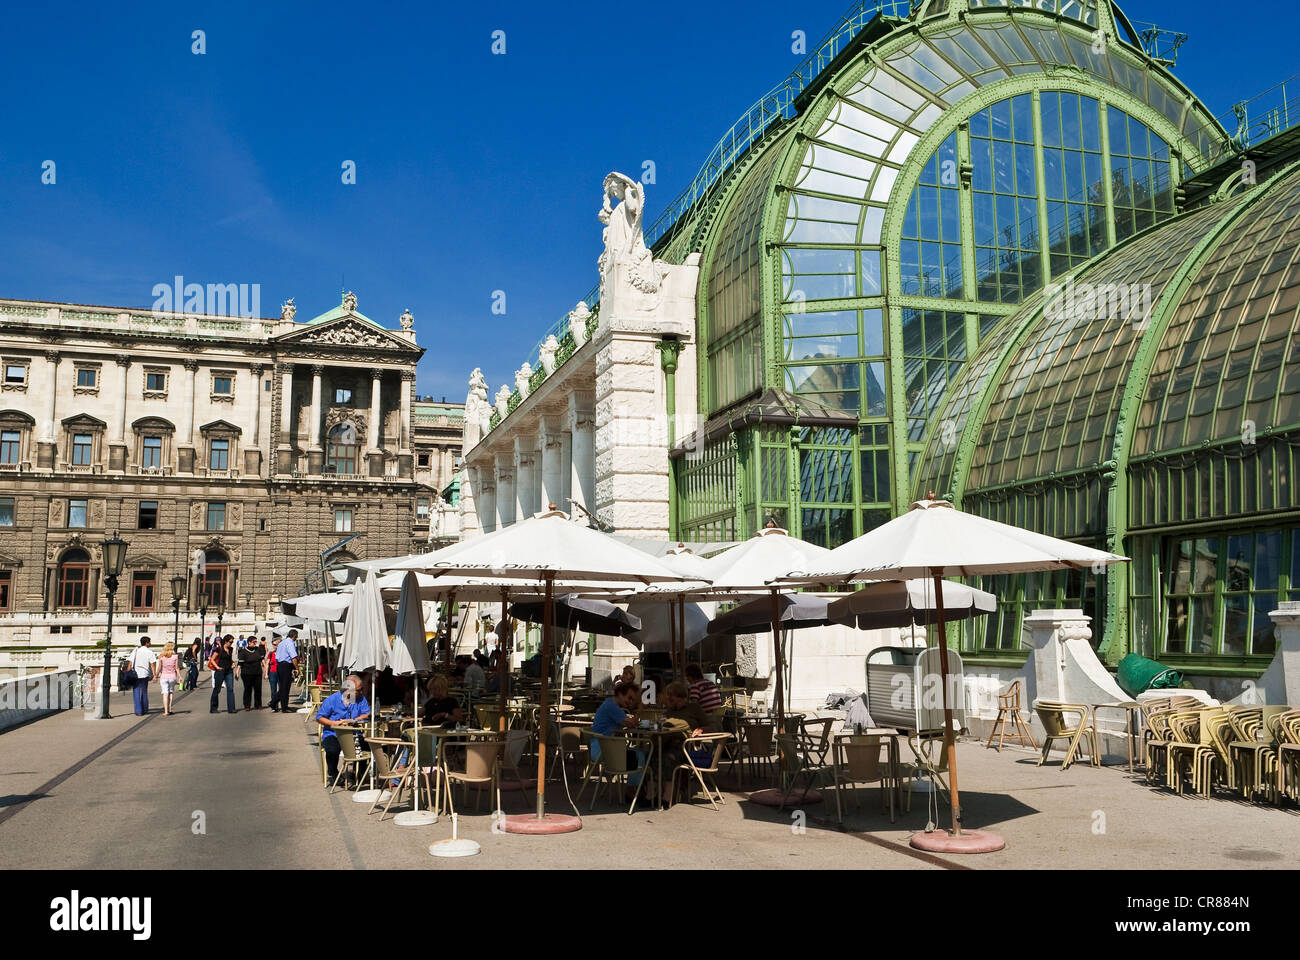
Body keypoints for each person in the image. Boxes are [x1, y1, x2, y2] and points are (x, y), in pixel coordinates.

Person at [659, 681, 718, 803]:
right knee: (651, 754)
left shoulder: (694, 708)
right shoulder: (669, 710)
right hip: (666, 742)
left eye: (671, 695)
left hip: (687, 747)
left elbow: (712, 726)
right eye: (668, 695)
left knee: (668, 757)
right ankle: (650, 795)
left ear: (680, 696)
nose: (668, 698)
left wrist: (701, 729)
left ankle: (668, 796)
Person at [315, 673, 372, 786]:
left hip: (354, 733)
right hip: (333, 733)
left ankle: (360, 773)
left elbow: (367, 714)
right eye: (358, 690)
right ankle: (334, 773)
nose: (361, 692)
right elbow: (319, 717)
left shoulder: (361, 699)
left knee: (367, 746)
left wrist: (354, 720)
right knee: (332, 749)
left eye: (361, 689)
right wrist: (334, 723)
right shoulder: (332, 700)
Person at [125, 637, 157, 716]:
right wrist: (154, 675)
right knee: (144, 691)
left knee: (136, 691)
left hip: (135, 674)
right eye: (150, 642)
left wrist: (128, 672)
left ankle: (138, 710)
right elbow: (152, 664)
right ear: (146, 643)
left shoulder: (135, 651)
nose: (150, 643)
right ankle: (145, 708)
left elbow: (130, 663)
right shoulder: (149, 652)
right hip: (144, 673)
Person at [208, 636, 237, 714]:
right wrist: (217, 667)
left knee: (230, 689)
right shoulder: (219, 649)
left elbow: (229, 659)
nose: (231, 643)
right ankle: (213, 708)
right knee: (217, 689)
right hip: (220, 671)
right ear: (225, 641)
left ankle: (231, 708)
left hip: (229, 671)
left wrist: (232, 663)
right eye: (230, 642)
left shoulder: (230, 649)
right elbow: (212, 659)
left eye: (232, 642)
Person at [272, 630, 299, 712]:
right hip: (286, 665)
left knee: (283, 687)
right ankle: (281, 705)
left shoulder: (282, 643)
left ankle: (278, 703)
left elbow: (277, 656)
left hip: (280, 665)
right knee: (285, 687)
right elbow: (293, 657)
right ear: (294, 636)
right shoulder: (290, 643)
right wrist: (297, 668)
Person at [237, 635, 265, 711]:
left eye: (256, 641)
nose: (255, 643)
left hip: (257, 673)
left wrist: (265, 670)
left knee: (258, 689)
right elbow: (240, 663)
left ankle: (258, 704)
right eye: (254, 642)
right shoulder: (243, 651)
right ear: (249, 642)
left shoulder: (258, 649)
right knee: (248, 689)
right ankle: (247, 705)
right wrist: (237, 672)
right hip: (247, 673)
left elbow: (262, 660)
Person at [157, 641, 180, 715]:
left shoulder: (161, 657)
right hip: (172, 676)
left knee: (165, 693)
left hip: (164, 677)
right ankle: (170, 709)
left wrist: (155, 675)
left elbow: (159, 668)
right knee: (170, 693)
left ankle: (166, 711)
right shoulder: (175, 656)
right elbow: (176, 668)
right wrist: (179, 676)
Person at [266, 638, 278, 706]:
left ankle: (283, 705)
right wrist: (266, 674)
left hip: (280, 672)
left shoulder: (282, 653)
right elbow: (267, 664)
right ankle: (274, 705)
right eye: (273, 645)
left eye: (275, 645)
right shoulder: (271, 653)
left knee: (281, 689)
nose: (274, 646)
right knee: (273, 690)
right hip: (272, 672)